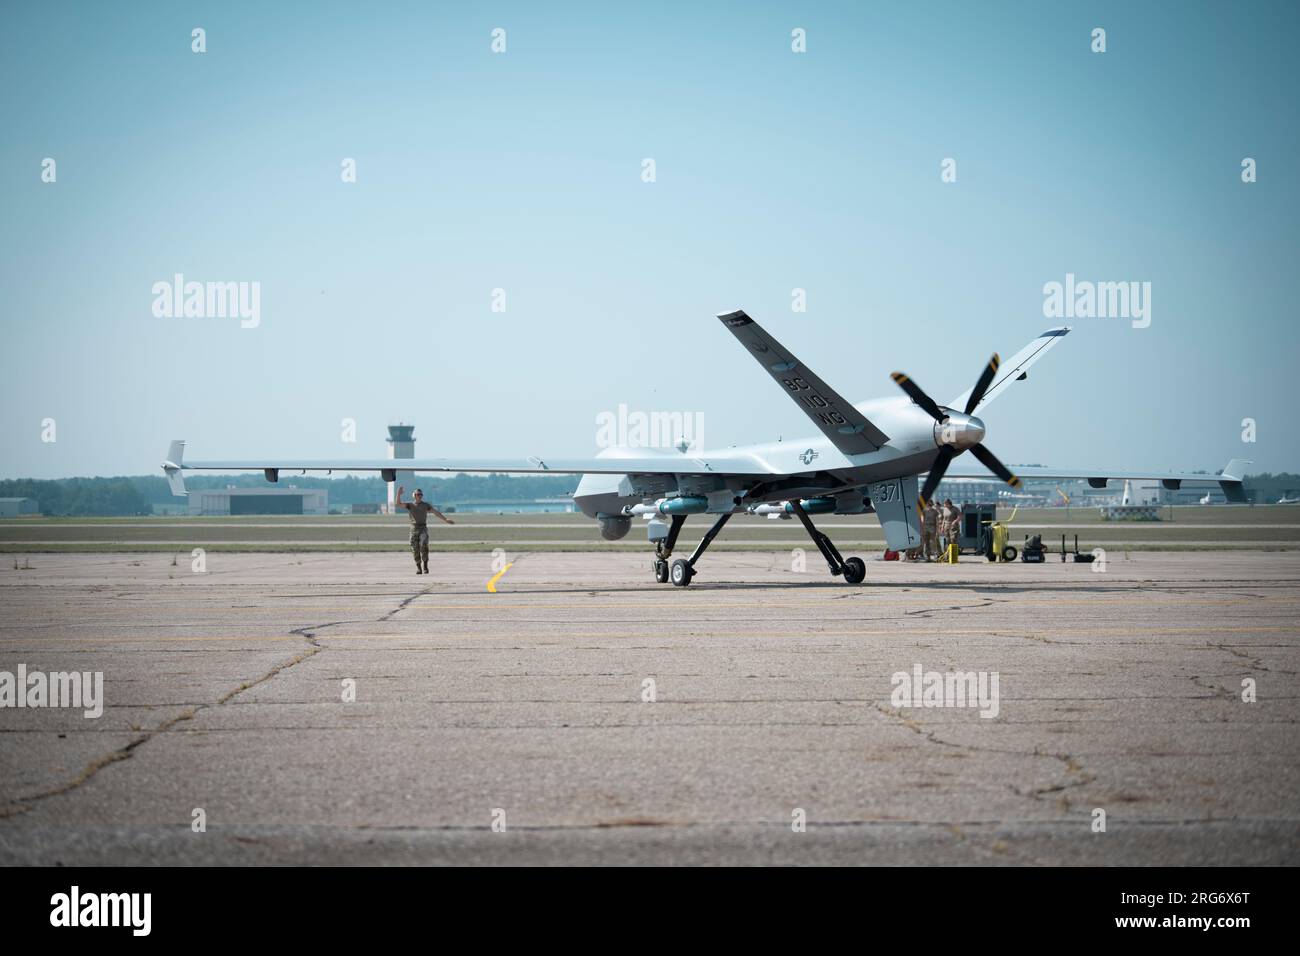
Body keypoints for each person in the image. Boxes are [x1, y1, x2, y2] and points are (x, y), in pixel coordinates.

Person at [394, 485, 454, 574]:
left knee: (423, 545)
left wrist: (445, 519)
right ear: (414, 495)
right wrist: (398, 494)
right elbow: (398, 504)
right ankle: (418, 567)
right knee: (415, 548)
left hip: (423, 528)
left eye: (421, 494)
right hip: (414, 528)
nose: (420, 496)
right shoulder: (410, 505)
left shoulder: (425, 505)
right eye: (418, 494)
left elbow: (435, 512)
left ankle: (425, 565)